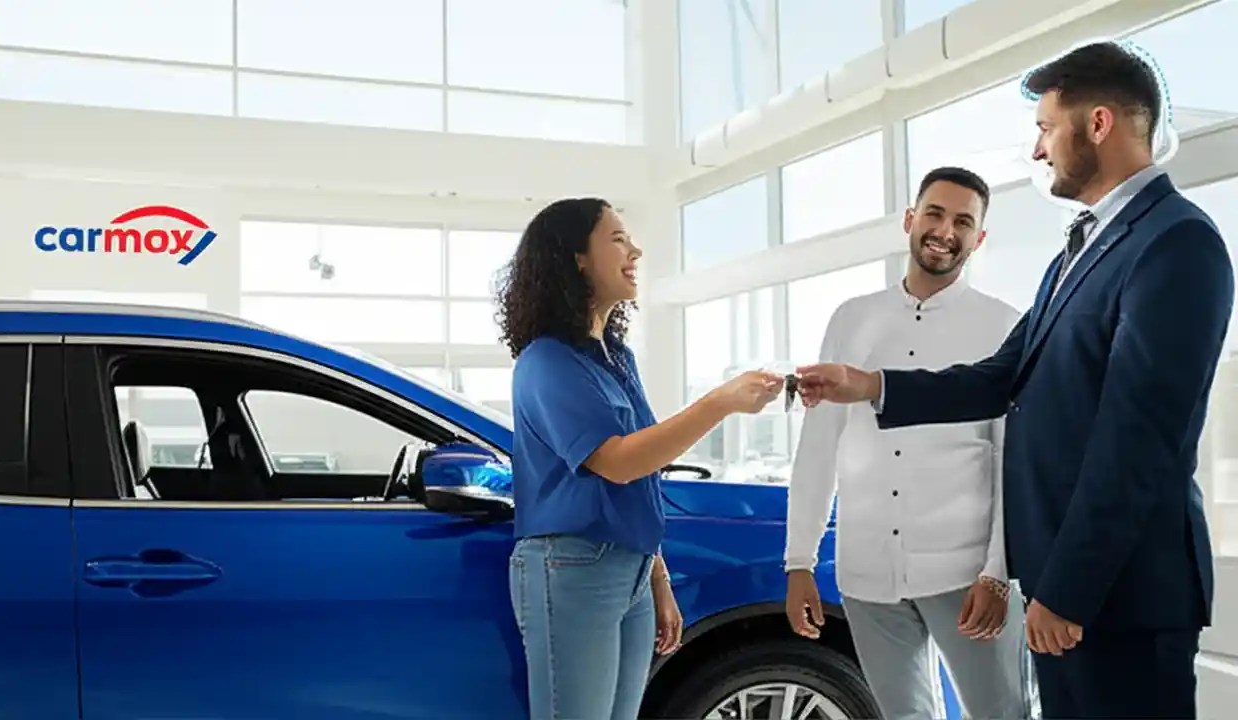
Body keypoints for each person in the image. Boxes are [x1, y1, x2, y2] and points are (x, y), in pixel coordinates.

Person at [795, 41, 1234, 719]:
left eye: (1044, 128)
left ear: (1097, 125)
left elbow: (1137, 441)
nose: (1037, 152)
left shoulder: (1177, 243)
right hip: (1069, 590)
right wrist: (873, 385)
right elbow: (1002, 377)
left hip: (1118, 597)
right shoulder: (1078, 251)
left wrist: (1067, 590)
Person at [494, 197, 783, 720]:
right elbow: (618, 462)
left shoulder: (616, 358)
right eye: (618, 239)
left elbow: (642, 470)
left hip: (629, 568)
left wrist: (657, 578)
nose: (636, 250)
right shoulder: (546, 363)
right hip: (573, 567)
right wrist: (721, 402)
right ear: (577, 258)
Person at [784, 166, 1029, 720]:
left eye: (964, 221)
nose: (946, 230)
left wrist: (998, 571)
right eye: (936, 213)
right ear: (910, 220)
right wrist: (799, 559)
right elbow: (820, 446)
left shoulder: (1004, 325)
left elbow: (1010, 459)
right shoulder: (852, 318)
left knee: (1004, 714)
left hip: (967, 573)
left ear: (979, 239)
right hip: (868, 573)